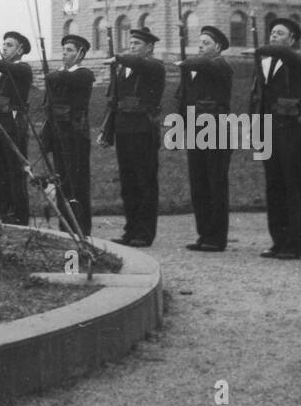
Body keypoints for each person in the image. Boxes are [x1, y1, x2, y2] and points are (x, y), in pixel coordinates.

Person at [250, 16, 301, 260]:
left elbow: (287, 55)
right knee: (273, 185)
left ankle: (294, 244)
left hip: (290, 130)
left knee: (292, 186)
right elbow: (257, 98)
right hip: (268, 129)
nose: (274, 36)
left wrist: (259, 50)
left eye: (280, 33)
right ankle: (278, 240)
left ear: (292, 39)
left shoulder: (297, 60)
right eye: (272, 32)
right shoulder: (265, 63)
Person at [101, 27, 165, 247]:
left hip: (143, 129)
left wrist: (119, 57)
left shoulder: (154, 66)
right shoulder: (124, 70)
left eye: (137, 44)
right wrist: (108, 131)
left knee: (144, 181)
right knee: (128, 183)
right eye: (130, 44)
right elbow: (114, 101)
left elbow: (139, 63)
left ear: (149, 47)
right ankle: (130, 229)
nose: (131, 47)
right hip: (124, 128)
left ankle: (144, 232)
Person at [177, 24, 234, 252]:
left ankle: (217, 237)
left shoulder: (221, 65)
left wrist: (183, 62)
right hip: (196, 127)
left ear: (218, 47)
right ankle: (204, 234)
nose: (201, 47)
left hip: (216, 127)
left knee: (215, 182)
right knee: (199, 182)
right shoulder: (197, 68)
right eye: (199, 43)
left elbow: (200, 63)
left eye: (206, 43)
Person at [41, 34, 95, 234]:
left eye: (70, 50)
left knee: (77, 181)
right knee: (62, 180)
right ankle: (66, 225)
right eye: (63, 50)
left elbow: (64, 78)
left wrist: (50, 76)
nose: (64, 53)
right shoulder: (57, 75)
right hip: (58, 134)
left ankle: (81, 226)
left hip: (76, 135)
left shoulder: (84, 74)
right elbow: (49, 106)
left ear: (81, 54)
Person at [0, 31, 34, 225]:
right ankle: (6, 214)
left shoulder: (23, 69)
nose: (4, 48)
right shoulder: (3, 74)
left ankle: (20, 216)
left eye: (9, 45)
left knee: (15, 172)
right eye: (4, 45)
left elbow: (4, 66)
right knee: (0, 171)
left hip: (13, 127)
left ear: (20, 50)